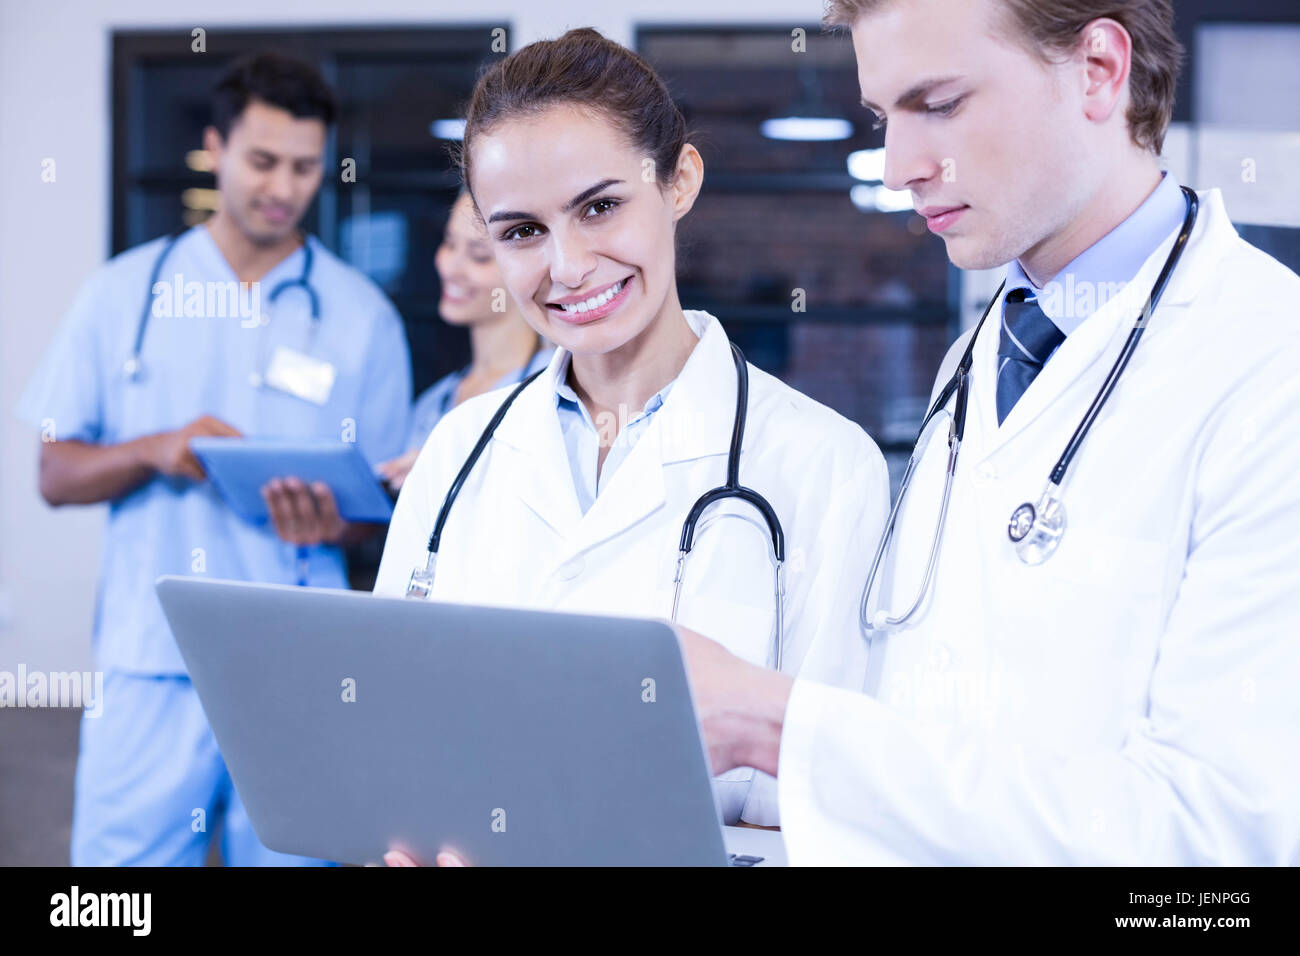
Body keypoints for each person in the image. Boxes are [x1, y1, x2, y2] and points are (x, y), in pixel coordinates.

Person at [679, 0, 1300, 865]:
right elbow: (939, 753)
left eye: (938, 105)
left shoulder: (1271, 368)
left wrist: (777, 725)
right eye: (882, 116)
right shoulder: (979, 361)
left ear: (1099, 71)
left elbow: (1218, 859)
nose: (899, 167)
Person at [373, 27, 890, 855]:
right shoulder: (458, 451)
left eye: (600, 207)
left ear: (678, 181)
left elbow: (836, 801)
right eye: (520, 232)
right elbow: (388, 753)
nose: (568, 266)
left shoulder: (823, 467)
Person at [17, 52, 412, 865]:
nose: (284, 187)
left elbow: (389, 513)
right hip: (151, 660)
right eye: (263, 161)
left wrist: (336, 523)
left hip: (299, 669)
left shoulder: (361, 317)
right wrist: (158, 450)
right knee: (116, 890)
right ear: (214, 149)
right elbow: (54, 473)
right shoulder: (122, 294)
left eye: (305, 167)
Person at [377, 190, 551, 491]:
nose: (450, 268)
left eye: (479, 256)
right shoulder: (434, 402)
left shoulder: (558, 387)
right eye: (449, 243)